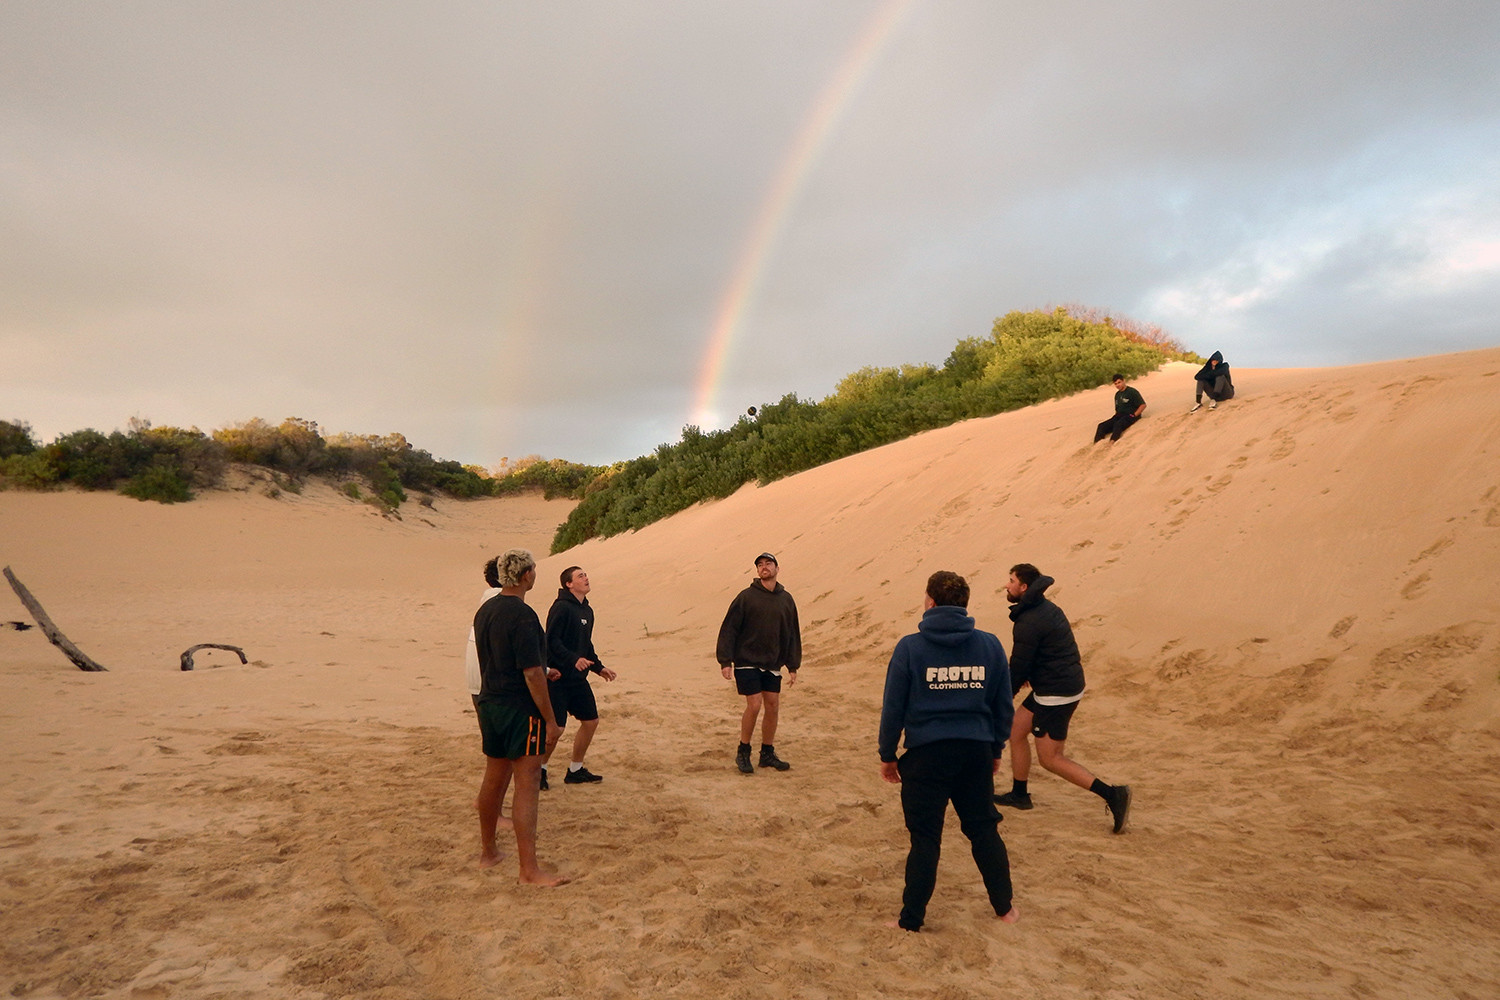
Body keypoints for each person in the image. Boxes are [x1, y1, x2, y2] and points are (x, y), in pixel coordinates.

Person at [878, 571, 1018, 932]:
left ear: (931, 602)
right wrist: (996, 747)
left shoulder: (910, 647)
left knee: (926, 837)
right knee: (983, 828)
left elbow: (893, 707)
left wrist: (887, 753)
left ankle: (911, 920)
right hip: (974, 750)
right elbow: (1003, 706)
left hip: (927, 754)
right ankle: (1005, 909)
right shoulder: (989, 645)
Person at [993, 564, 1131, 833]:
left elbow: (1019, 667)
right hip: (1056, 684)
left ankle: (1113, 795)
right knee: (1016, 730)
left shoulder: (1029, 621)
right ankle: (1020, 795)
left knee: (1051, 758)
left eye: (1010, 581)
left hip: (1057, 693)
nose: (1006, 586)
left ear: (1023, 588)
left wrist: (1001, 700)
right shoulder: (1044, 609)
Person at [472, 548, 568, 885]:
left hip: (490, 703)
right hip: (518, 708)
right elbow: (531, 673)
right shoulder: (523, 615)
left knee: (494, 777)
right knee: (526, 784)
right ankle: (529, 869)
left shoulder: (486, 610)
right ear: (526, 575)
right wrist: (551, 719)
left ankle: (488, 851)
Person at [716, 552, 801, 774]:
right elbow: (729, 629)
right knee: (754, 705)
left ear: (777, 569)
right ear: (757, 571)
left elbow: (792, 633)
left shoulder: (786, 599)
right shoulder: (746, 597)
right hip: (746, 661)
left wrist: (792, 665)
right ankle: (743, 751)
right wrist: (725, 660)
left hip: (772, 662)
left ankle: (767, 753)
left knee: (773, 705)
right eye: (760, 565)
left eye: (768, 564)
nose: (764, 567)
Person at [541, 566, 618, 786]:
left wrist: (598, 667)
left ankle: (575, 769)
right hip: (557, 679)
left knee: (591, 721)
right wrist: (572, 659)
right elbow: (551, 641)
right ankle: (540, 770)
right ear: (569, 584)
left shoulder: (587, 610)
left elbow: (586, 644)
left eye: (586, 574)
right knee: (556, 730)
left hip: (578, 680)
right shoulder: (561, 608)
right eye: (580, 576)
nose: (586, 578)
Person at [1094, 373, 1146, 442]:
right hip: (1119, 415)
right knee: (1101, 426)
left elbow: (1143, 405)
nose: (1118, 385)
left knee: (1118, 425)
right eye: (1115, 384)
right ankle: (1097, 444)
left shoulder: (1132, 391)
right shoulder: (1117, 395)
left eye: (1119, 382)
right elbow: (1117, 408)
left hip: (1130, 415)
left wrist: (1134, 415)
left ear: (1123, 381)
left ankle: (1112, 442)